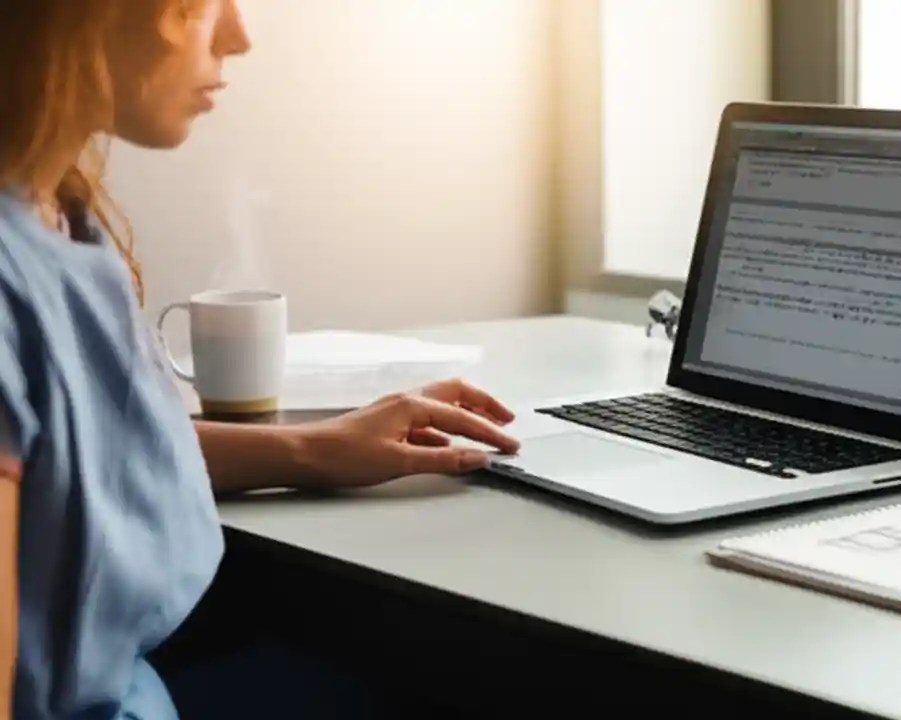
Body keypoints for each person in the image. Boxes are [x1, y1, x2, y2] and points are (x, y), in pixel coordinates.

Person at [0, 1, 522, 718]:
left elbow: (76, 464)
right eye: (205, 4)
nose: (238, 38)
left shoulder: (53, 212)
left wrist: (315, 450)